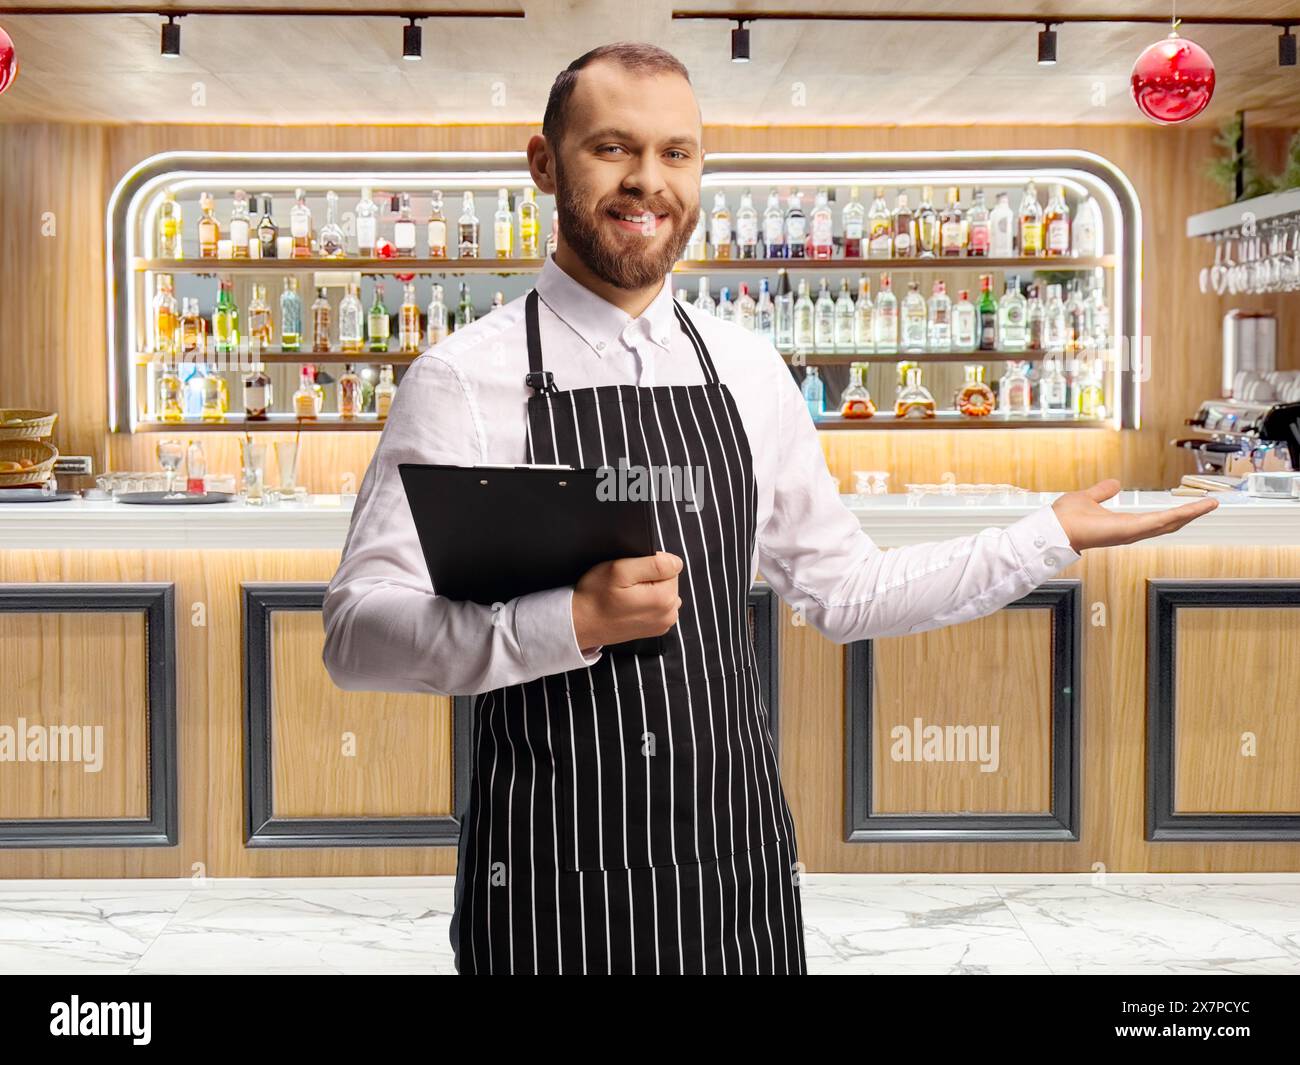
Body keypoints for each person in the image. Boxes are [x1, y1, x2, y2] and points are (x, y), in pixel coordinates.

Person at [321, 42, 1217, 976]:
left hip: (730, 854)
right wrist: (568, 620)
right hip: (550, 864)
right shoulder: (464, 378)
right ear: (544, 164)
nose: (646, 182)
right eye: (612, 148)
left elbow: (846, 591)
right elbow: (355, 634)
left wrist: (1048, 535)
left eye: (677, 153)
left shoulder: (748, 372)